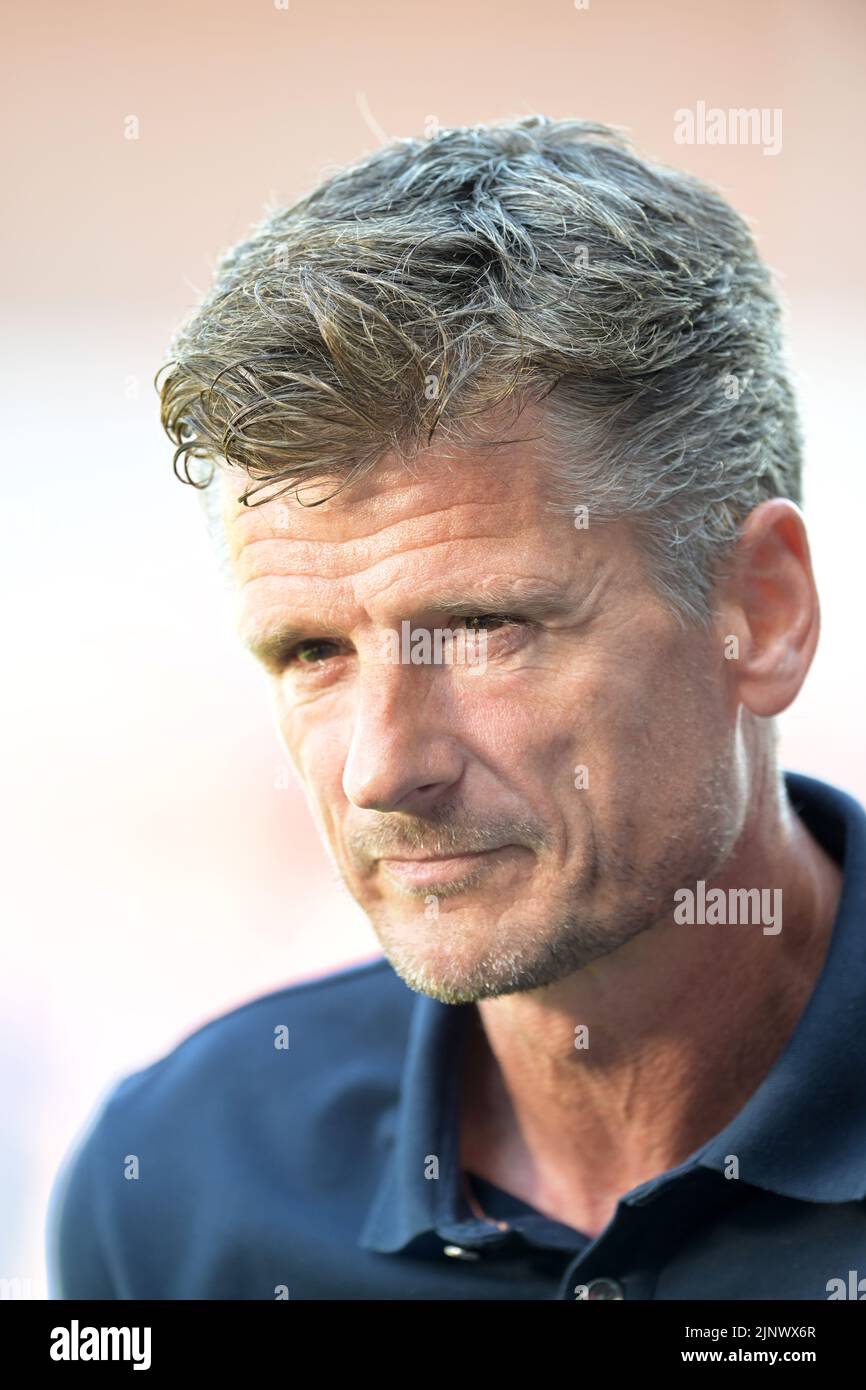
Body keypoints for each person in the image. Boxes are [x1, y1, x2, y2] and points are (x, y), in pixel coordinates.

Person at [47, 116, 866, 1301]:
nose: (382, 768)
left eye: (485, 629)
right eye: (312, 649)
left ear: (761, 611)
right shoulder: (177, 1188)